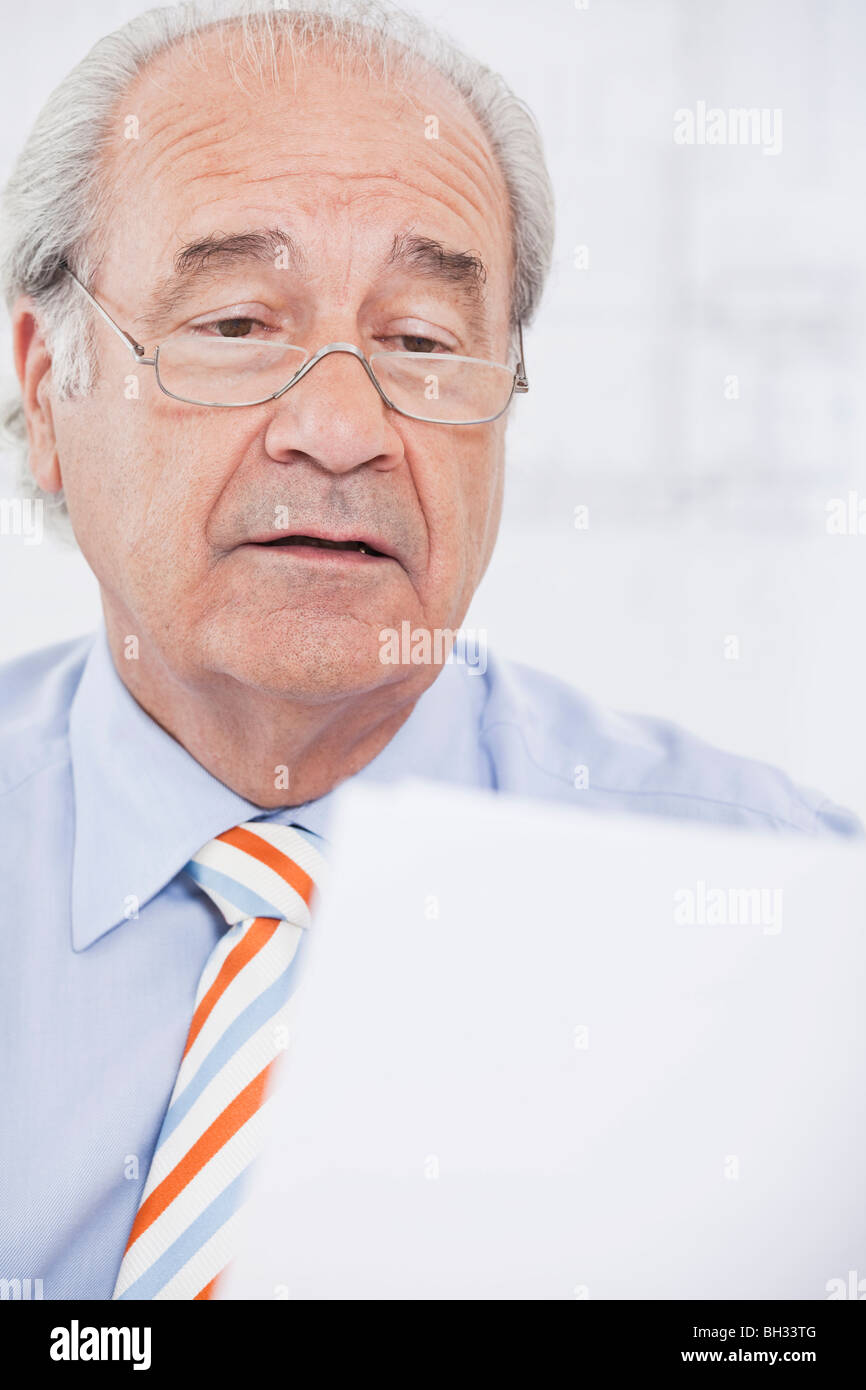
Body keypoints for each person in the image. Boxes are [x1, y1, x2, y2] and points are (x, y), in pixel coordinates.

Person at [0, 0, 858, 1302]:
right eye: (237, 326)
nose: (340, 428)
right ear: (46, 381)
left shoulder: (785, 909)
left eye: (419, 341)